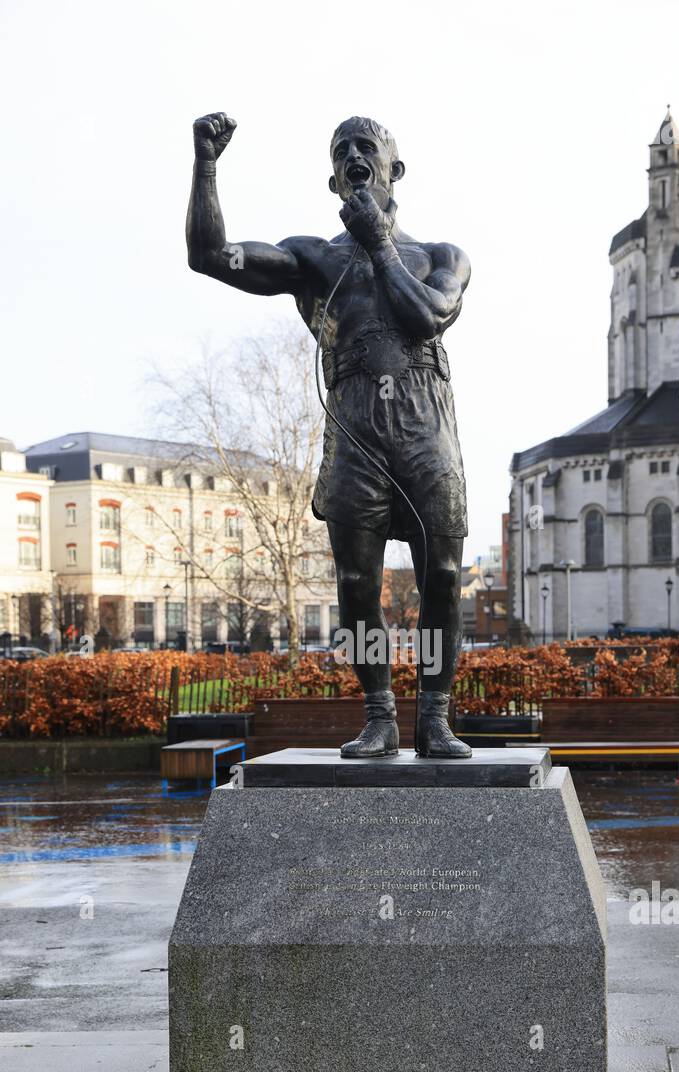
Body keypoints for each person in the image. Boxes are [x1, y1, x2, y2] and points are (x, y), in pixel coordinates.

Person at [186, 112, 471, 758]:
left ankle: (435, 717)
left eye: (365, 147)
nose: (353, 154)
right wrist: (206, 166)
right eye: (341, 151)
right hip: (354, 432)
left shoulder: (442, 257)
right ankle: (379, 716)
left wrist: (379, 244)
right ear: (333, 178)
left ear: (394, 169)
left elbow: (427, 317)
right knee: (354, 585)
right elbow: (208, 257)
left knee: (445, 576)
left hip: (426, 430)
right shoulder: (311, 260)